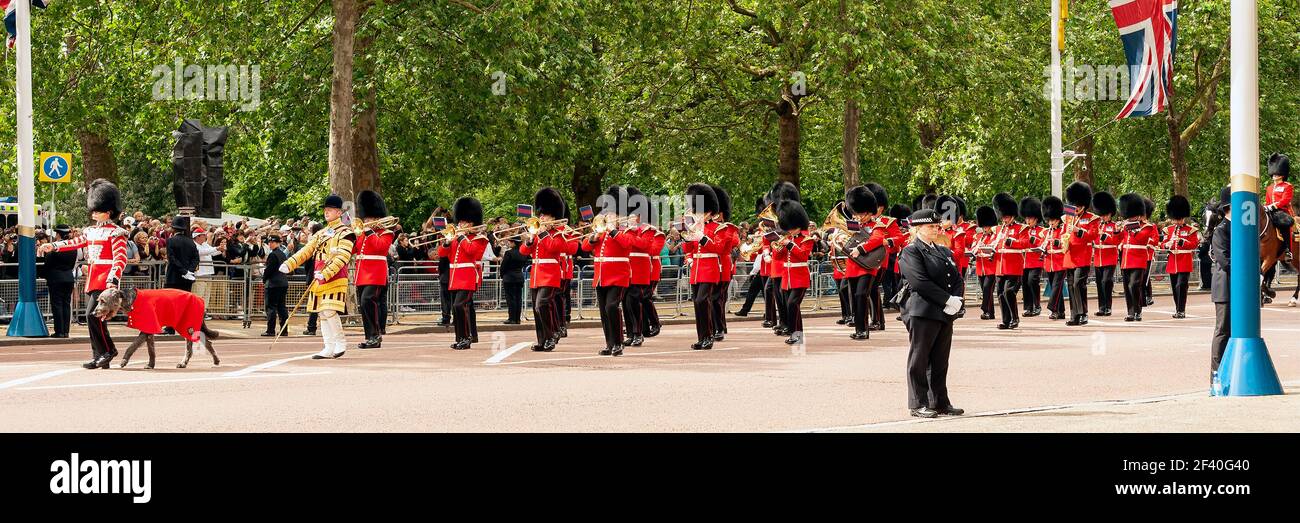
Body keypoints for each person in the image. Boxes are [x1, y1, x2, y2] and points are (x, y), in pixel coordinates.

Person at [38, 179, 128, 369]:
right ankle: (100, 354)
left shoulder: (116, 233)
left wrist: (113, 280)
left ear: (108, 211)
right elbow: (73, 243)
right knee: (97, 318)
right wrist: (52, 246)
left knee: (92, 316)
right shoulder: (91, 231)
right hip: (94, 278)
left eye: (97, 209)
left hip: (106, 281)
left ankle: (107, 351)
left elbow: (120, 259)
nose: (93, 212)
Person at [897, 207, 965, 419]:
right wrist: (947, 299)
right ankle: (918, 403)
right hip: (922, 310)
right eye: (931, 226)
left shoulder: (943, 250)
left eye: (937, 225)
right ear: (917, 229)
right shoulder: (911, 251)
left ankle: (939, 402)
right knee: (919, 358)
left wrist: (956, 300)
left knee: (940, 360)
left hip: (944, 312)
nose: (936, 229)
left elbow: (956, 278)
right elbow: (919, 282)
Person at [279, 194, 356, 359]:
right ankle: (328, 347)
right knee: (322, 313)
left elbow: (343, 257)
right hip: (317, 277)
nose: (327, 212)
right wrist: (290, 263)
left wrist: (326, 273)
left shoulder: (346, 233)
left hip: (334, 276)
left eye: (331, 210)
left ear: (339, 212)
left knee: (328, 310)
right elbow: (306, 251)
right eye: (326, 210)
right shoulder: (322, 233)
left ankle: (340, 342)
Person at [582, 185, 645, 356]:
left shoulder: (628, 230)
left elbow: (627, 244)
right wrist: (594, 237)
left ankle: (618, 343)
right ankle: (610, 344)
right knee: (604, 312)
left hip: (618, 274)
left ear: (620, 216)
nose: (607, 216)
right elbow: (585, 246)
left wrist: (613, 230)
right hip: (601, 275)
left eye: (611, 214)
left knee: (611, 306)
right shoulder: (601, 231)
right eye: (607, 213)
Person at [437, 197, 489, 350]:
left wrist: (460, 237)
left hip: (468, 276)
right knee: (455, 308)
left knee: (460, 305)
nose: (459, 225)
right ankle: (460, 338)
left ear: (471, 223)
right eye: (459, 222)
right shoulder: (454, 238)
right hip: (454, 277)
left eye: (463, 222)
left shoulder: (479, 238)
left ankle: (467, 337)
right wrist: (447, 242)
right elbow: (442, 253)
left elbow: (472, 252)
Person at [520, 187, 568, 351]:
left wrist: (542, 234)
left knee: (542, 305)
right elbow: (523, 252)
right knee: (536, 308)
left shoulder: (559, 232)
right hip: (536, 274)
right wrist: (530, 239)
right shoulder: (537, 233)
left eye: (544, 215)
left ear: (553, 216)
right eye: (540, 214)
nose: (541, 217)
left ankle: (551, 337)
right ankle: (542, 340)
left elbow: (555, 248)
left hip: (551, 273)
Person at [842, 185, 886, 340]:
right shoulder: (853, 226)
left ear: (869, 211)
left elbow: (877, 239)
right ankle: (859, 328)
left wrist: (860, 249)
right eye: (856, 213)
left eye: (862, 214)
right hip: (853, 266)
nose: (859, 217)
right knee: (855, 297)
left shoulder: (877, 225)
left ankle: (863, 330)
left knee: (861, 295)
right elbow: (845, 242)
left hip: (867, 267)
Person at [354, 190, 394, 349]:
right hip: (361, 273)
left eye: (369, 218)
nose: (366, 221)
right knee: (363, 305)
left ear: (377, 218)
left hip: (376, 273)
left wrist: (369, 231)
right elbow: (355, 249)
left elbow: (380, 248)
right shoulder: (362, 233)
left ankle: (376, 335)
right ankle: (369, 336)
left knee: (368, 301)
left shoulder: (387, 232)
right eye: (365, 218)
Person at [773, 200, 814, 345]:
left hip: (800, 278)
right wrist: (778, 247)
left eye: (791, 227)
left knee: (792, 304)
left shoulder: (807, 239)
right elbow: (777, 257)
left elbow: (803, 255)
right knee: (792, 307)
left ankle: (795, 334)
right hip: (787, 278)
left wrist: (789, 244)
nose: (789, 230)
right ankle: (797, 335)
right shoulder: (788, 239)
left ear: (798, 225)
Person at [1063, 182, 1099, 325]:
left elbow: (1093, 235)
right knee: (1071, 286)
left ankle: (1083, 313)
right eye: (1074, 205)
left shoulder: (1092, 218)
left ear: (1084, 205)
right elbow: (1064, 232)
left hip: (1083, 255)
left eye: (1078, 206)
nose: (1076, 208)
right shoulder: (1068, 216)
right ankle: (1074, 315)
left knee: (1079, 284)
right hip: (1070, 255)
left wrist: (1079, 231)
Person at [991, 193, 1028, 330]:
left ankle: (1015, 318)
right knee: (1000, 294)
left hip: (1013, 267)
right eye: (1003, 216)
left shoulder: (1021, 228)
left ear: (1012, 215)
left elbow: (1025, 243)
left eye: (1007, 216)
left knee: (1009, 292)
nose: (1004, 219)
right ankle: (1006, 320)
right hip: (1000, 266)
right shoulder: (998, 229)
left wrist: (1011, 242)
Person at [707, 185, 739, 341]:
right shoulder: (708, 227)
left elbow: (734, 242)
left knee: (718, 298)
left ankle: (719, 327)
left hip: (723, 265)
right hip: (710, 266)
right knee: (713, 299)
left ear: (721, 213)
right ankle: (716, 326)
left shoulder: (728, 228)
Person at [1118, 193, 1156, 322]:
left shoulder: (1147, 227)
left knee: (1134, 285)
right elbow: (1117, 239)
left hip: (1139, 260)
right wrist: (1117, 230)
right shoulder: (1125, 226)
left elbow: (1141, 238)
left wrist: (1131, 229)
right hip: (1126, 260)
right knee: (1127, 287)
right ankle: (1130, 312)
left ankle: (1138, 311)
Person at [1162, 195, 1200, 318]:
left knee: (1181, 285)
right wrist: (1167, 244)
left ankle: (1181, 310)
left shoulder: (1191, 230)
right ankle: (1178, 308)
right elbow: (1163, 244)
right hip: (1172, 261)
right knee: (1174, 287)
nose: (1177, 221)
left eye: (1179, 219)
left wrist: (1182, 241)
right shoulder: (1168, 230)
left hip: (1184, 261)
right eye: (1175, 219)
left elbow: (1194, 244)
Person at [1209, 186, 1232, 380]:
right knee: (1222, 331)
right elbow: (1225, 261)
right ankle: (1216, 375)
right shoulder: (1221, 230)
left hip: (1236, 286)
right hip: (1225, 286)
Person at [43, 224, 78, 338]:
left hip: (56, 278)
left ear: (58, 234)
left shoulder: (55, 249)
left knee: (57, 305)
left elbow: (47, 264)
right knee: (66, 305)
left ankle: (59, 331)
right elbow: (72, 265)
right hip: (68, 277)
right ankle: (66, 331)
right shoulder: (73, 248)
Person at [1092, 192, 1121, 316]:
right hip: (1098, 257)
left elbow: (1117, 241)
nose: (1103, 217)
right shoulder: (1097, 225)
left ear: (1110, 214)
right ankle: (1101, 307)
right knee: (1099, 283)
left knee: (1106, 281)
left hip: (1110, 257)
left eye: (1106, 215)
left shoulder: (1114, 226)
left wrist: (1106, 236)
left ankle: (1108, 307)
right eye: (1102, 215)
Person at [1040, 196, 1068, 320]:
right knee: (1055, 287)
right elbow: (1041, 244)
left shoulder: (1063, 230)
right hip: (1049, 262)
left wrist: (1059, 244)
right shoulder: (1046, 232)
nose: (1051, 222)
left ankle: (1053, 308)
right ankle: (1061, 312)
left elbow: (1067, 244)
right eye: (1049, 220)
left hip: (1061, 262)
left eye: (1054, 220)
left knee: (1056, 287)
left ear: (1058, 220)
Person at [1019, 197, 1045, 317]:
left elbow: (1043, 243)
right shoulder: (1022, 230)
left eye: (1031, 218)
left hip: (1036, 260)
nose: (1028, 221)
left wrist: (1034, 240)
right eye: (1027, 218)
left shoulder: (1041, 230)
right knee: (1025, 283)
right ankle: (1028, 307)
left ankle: (1037, 305)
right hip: (1024, 261)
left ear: (1036, 218)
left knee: (1032, 281)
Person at [971, 206, 998, 320]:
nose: (985, 228)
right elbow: (973, 248)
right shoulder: (978, 236)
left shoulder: (995, 236)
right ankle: (990, 313)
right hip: (980, 267)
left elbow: (994, 249)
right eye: (984, 226)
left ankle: (985, 309)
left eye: (987, 226)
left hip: (991, 267)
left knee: (987, 288)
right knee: (986, 290)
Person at [261, 234, 290, 336]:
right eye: (270, 242)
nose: (270, 244)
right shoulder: (282, 254)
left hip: (273, 283)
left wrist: (264, 279)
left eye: (272, 242)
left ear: (277, 243)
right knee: (282, 307)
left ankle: (270, 330)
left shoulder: (273, 255)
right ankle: (284, 330)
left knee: (271, 307)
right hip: (282, 282)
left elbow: (269, 270)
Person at [498, 237, 529, 324]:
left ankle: (511, 318)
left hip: (509, 278)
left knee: (510, 299)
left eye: (510, 242)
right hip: (519, 277)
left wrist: (502, 275)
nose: (509, 243)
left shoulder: (509, 253)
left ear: (514, 243)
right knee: (518, 299)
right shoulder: (523, 252)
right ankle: (517, 319)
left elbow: (503, 266)